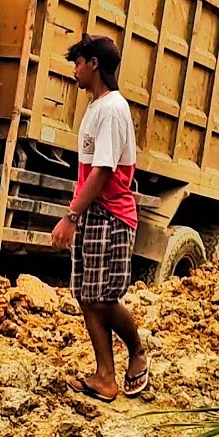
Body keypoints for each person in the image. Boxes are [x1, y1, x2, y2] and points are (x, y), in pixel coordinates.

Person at [50, 33, 148, 403]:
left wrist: (71, 215)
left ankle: (137, 351)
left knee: (104, 297)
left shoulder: (111, 109)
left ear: (94, 64)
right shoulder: (96, 107)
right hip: (94, 213)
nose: (74, 69)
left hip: (111, 216)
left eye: (78, 62)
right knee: (86, 296)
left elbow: (104, 170)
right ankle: (105, 376)